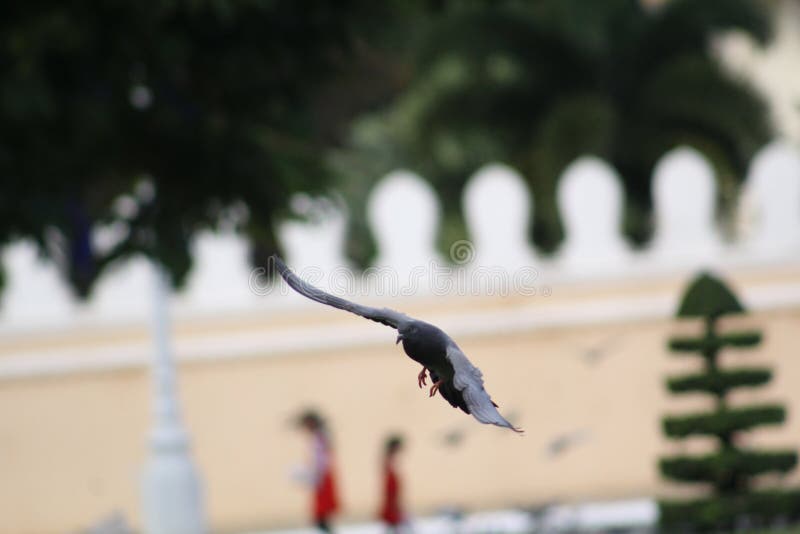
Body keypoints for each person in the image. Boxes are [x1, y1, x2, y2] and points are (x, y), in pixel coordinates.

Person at [297, 410, 340, 533]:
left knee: (321, 516)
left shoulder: (321, 436)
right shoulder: (319, 436)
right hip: (320, 476)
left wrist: (316, 475)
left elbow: (322, 459)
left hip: (322, 476)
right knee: (320, 517)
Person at [379, 434, 406, 533]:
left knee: (393, 521)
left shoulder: (391, 458)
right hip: (391, 490)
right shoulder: (388, 458)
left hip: (393, 490)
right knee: (392, 518)